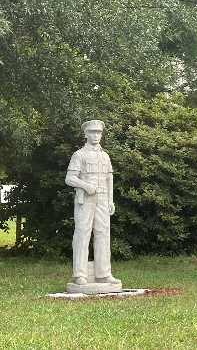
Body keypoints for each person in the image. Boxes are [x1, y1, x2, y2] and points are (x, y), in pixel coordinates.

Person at [66, 120, 119, 285]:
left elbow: (109, 178)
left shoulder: (105, 155)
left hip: (103, 199)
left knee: (103, 233)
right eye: (92, 132)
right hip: (85, 200)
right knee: (82, 234)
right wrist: (85, 185)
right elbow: (70, 178)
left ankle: (103, 273)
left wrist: (110, 200)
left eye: (98, 133)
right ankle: (79, 274)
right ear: (86, 134)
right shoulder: (79, 154)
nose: (96, 135)